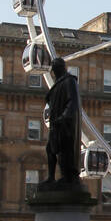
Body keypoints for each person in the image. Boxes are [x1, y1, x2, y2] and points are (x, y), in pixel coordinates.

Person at [43, 56, 82, 185]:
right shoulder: (59, 83)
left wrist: (64, 117)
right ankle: (51, 177)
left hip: (65, 123)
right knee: (51, 149)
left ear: (61, 68)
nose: (54, 72)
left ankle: (67, 176)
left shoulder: (69, 81)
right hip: (55, 122)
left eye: (56, 69)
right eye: (54, 70)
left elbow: (73, 101)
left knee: (64, 150)